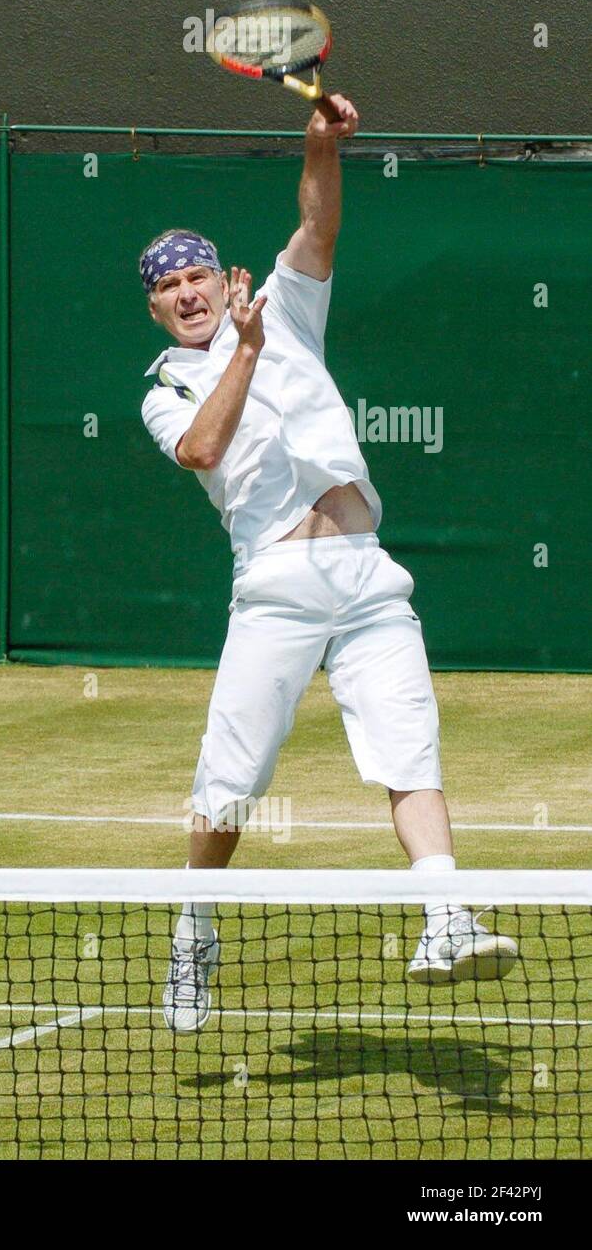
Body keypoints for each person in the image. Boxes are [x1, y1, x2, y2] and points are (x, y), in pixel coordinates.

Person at [138, 95, 516, 1033]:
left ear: (223, 279)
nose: (185, 293)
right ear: (152, 306)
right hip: (274, 587)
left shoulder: (285, 306)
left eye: (195, 276)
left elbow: (317, 220)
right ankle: (195, 929)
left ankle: (443, 919)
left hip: (365, 574)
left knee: (410, 748)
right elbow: (203, 451)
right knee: (229, 784)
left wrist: (319, 141)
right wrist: (244, 356)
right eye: (166, 287)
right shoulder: (164, 388)